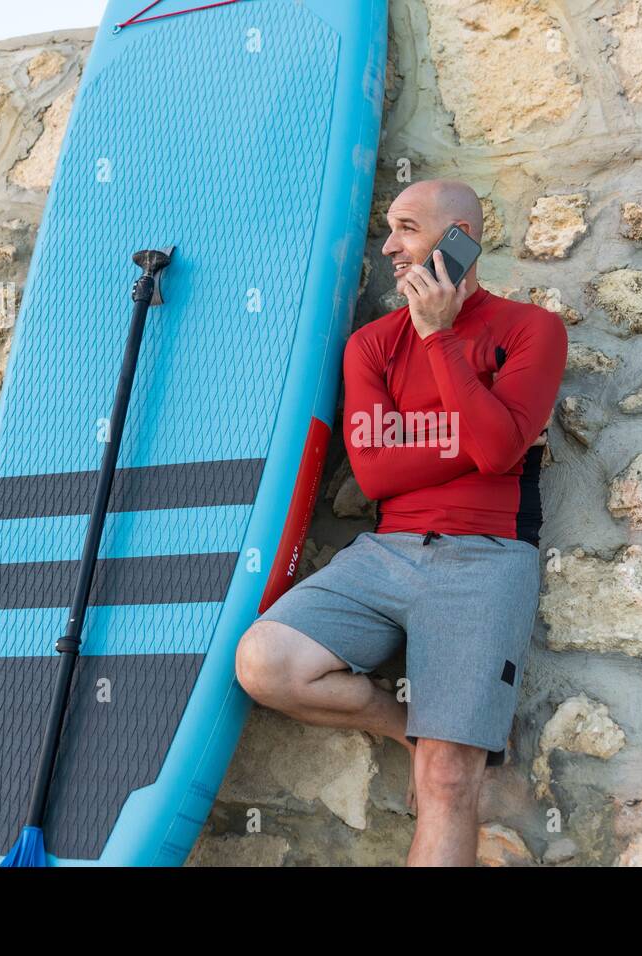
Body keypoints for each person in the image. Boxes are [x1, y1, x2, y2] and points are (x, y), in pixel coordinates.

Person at [234, 178, 568, 865]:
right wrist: (479, 440)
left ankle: (445, 744)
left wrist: (441, 342)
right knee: (266, 661)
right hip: (384, 552)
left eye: (407, 228)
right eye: (389, 228)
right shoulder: (371, 345)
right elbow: (378, 473)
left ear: (459, 238)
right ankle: (416, 726)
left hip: (486, 559)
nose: (389, 245)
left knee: (447, 781)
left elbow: (500, 449)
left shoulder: (532, 330)